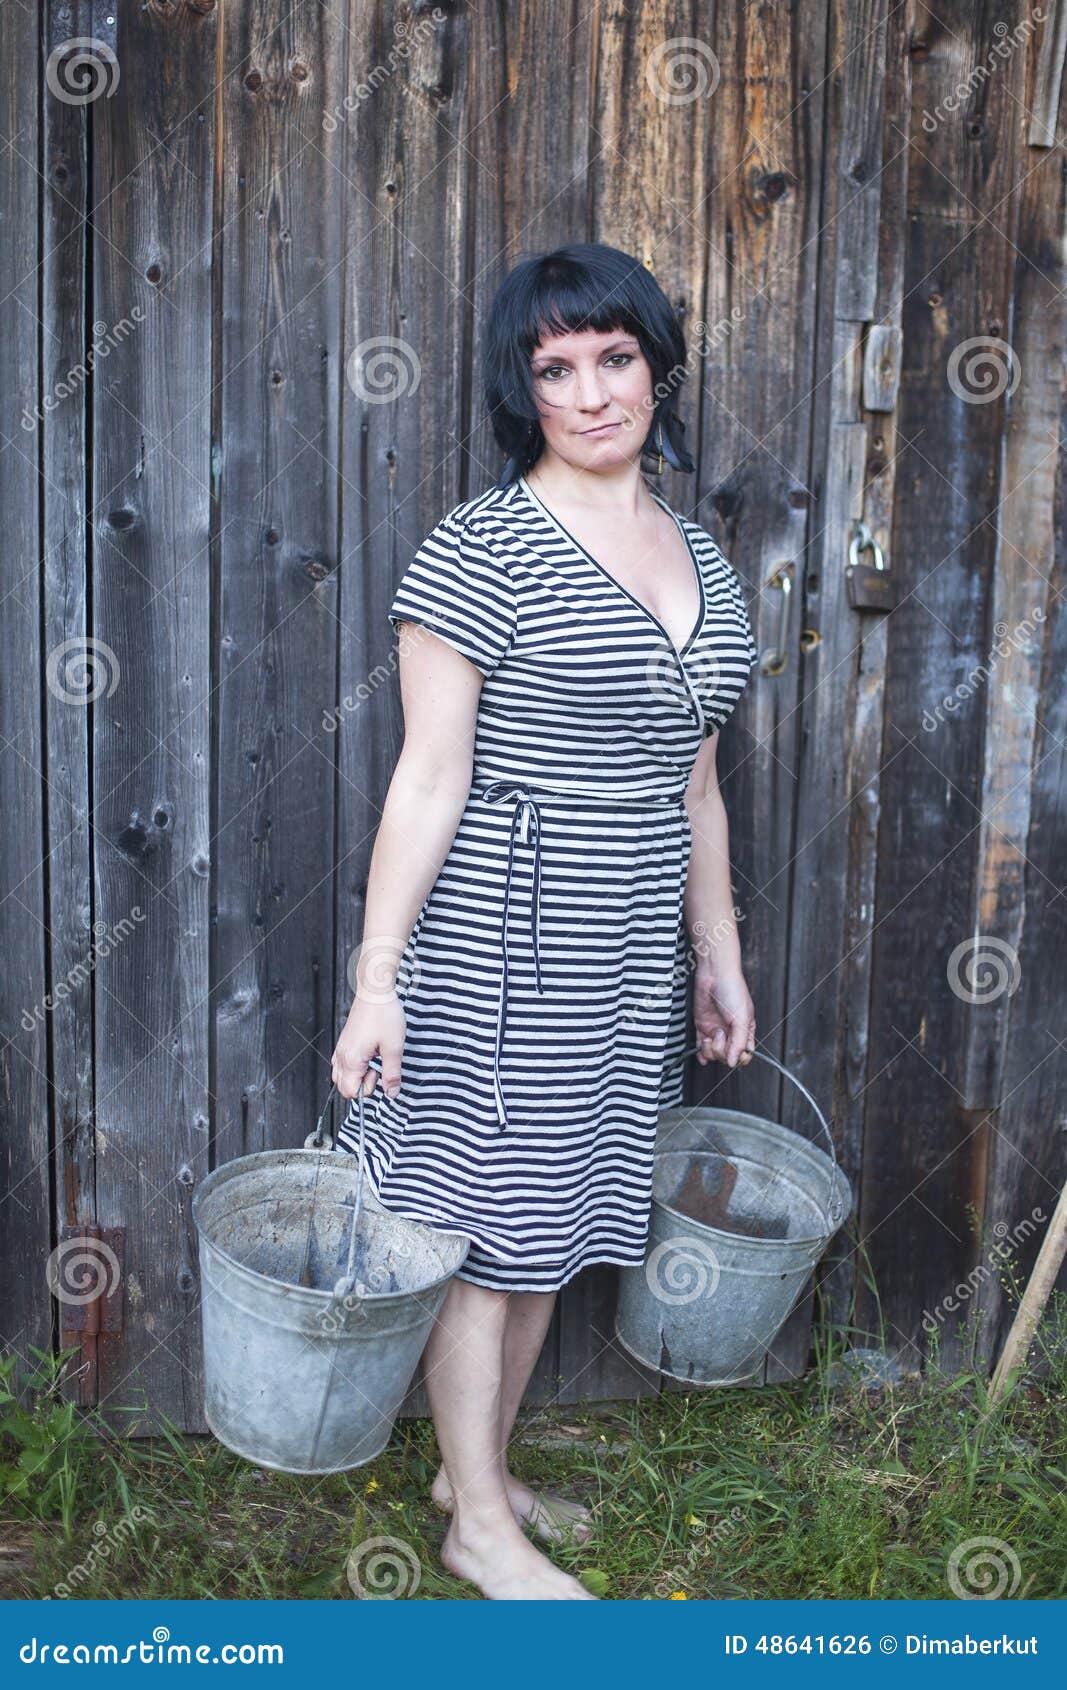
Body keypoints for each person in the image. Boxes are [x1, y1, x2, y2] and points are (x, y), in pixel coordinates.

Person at [330, 242, 758, 1600]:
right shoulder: (482, 549)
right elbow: (428, 775)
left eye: (614, 358)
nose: (591, 393)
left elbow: (694, 785)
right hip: (501, 943)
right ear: (527, 393)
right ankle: (474, 1530)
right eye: (555, 368)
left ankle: (474, 1471)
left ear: (656, 365)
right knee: (489, 1228)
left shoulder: (700, 556)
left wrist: (720, 957)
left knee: (558, 1211)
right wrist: (378, 977)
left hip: (626, 952)